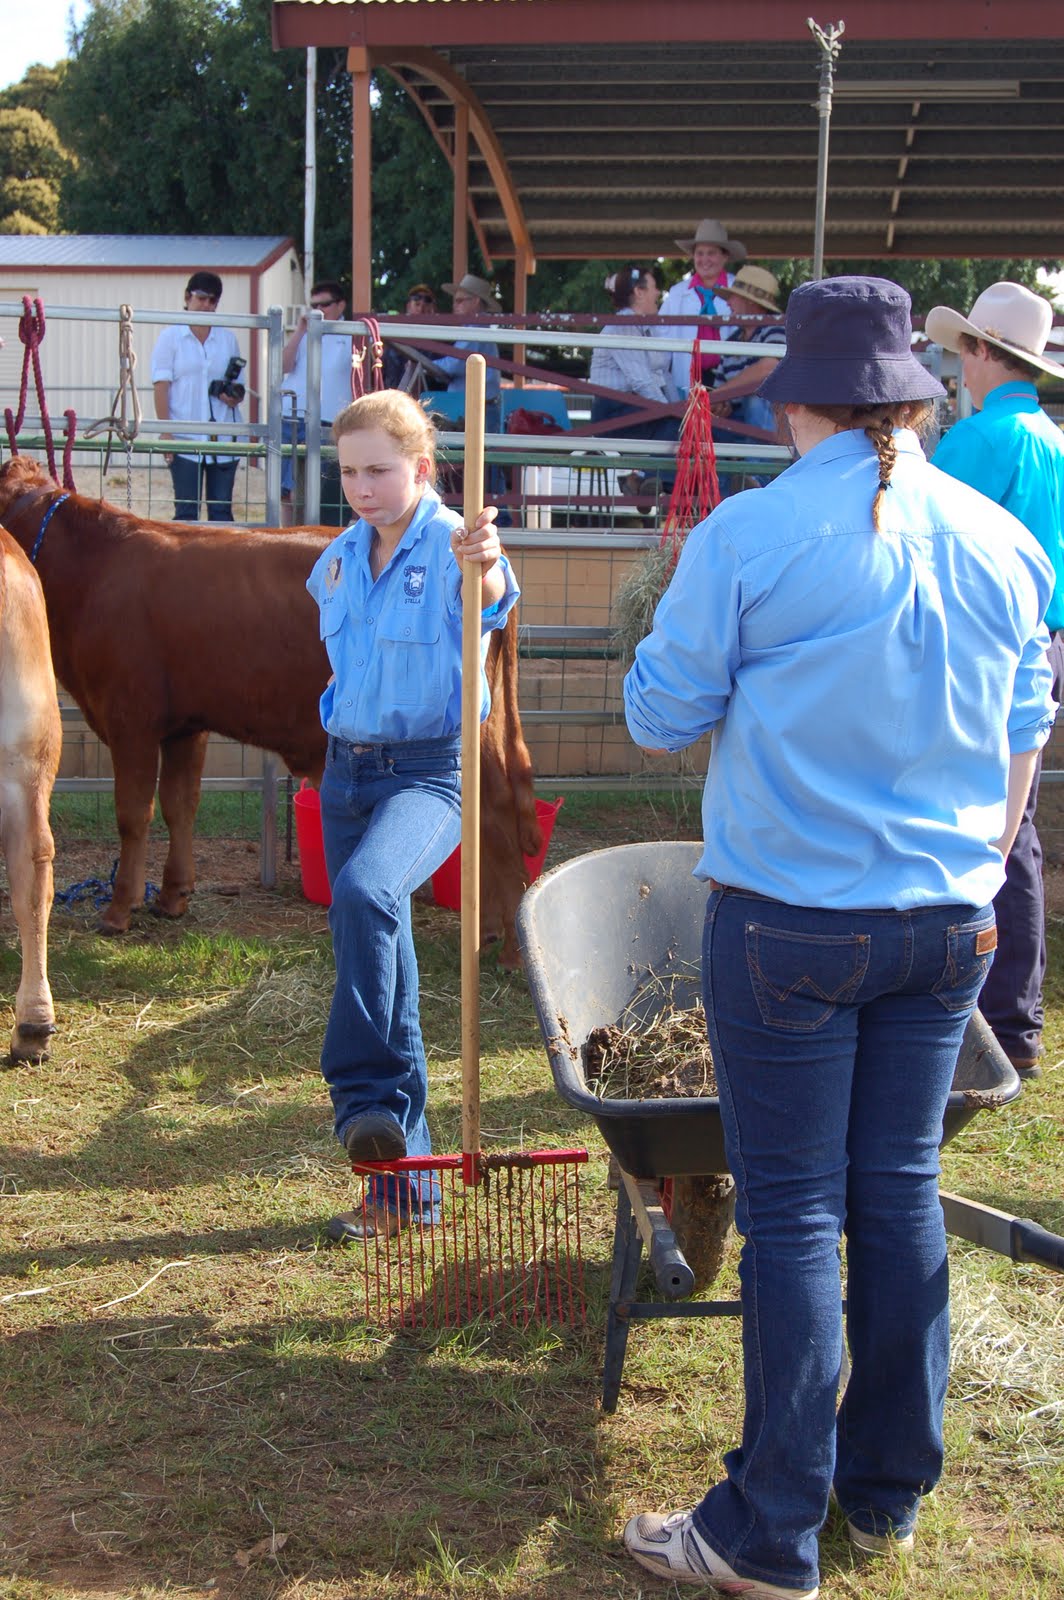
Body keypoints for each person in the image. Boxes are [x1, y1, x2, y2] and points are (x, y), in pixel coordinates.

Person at [621, 276, 1055, 1599]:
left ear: (792, 405)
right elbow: (1027, 723)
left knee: (798, 1213)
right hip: (946, 921)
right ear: (917, 398)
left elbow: (657, 715)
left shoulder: (748, 535)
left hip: (792, 920)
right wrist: (978, 866)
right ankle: (884, 1489)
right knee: (897, 1191)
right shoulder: (1000, 536)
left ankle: (768, 1529)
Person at [305, 389, 517, 1240]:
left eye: (379, 471)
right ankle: (405, 1190)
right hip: (345, 772)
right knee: (380, 957)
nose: (362, 488)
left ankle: (362, 1098)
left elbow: (492, 595)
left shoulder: (457, 544)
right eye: (349, 473)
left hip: (431, 772)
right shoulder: (337, 559)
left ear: (420, 468)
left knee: (367, 892)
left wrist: (486, 561)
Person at [926, 282, 1064, 1081]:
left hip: (980, 643)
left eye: (964, 352)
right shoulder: (1051, 439)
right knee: (1020, 823)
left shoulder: (978, 439)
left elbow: (923, 532)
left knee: (978, 819)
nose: (959, 368)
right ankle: (1014, 1019)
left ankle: (979, 1015)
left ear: (984, 352)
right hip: (1043, 640)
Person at [151, 271, 245, 522]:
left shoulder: (227, 338)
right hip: (184, 439)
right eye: (201, 298)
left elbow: (239, 385)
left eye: (213, 300)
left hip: (223, 439)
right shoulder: (170, 337)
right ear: (187, 297)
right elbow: (161, 386)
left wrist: (232, 396)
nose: (206, 305)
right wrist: (166, 432)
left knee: (221, 513)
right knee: (186, 512)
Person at [588, 263, 681, 499]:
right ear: (639, 292)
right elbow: (642, 381)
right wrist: (673, 411)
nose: (658, 293)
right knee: (676, 426)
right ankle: (648, 481)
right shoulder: (625, 327)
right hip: (614, 409)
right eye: (654, 287)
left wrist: (677, 409)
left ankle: (645, 481)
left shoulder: (644, 327)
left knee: (680, 426)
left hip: (633, 406)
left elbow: (661, 375)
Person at [279, 278, 353, 526]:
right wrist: (300, 330)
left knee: (318, 490)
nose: (318, 311)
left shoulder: (352, 334)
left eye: (325, 304)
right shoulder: (304, 334)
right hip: (292, 415)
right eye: (314, 306)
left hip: (329, 420)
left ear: (341, 305)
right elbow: (283, 365)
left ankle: (313, 536)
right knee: (287, 491)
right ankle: (288, 538)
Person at [654, 218, 746, 400]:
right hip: (686, 380)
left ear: (725, 256)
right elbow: (660, 341)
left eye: (711, 253)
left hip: (730, 380)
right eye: (699, 253)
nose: (704, 260)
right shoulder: (677, 293)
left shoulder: (740, 290)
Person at [437, 273, 505, 501]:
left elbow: (455, 364)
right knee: (486, 464)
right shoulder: (476, 327)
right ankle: (495, 510)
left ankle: (493, 511)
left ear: (475, 301)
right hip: (479, 407)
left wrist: (429, 364)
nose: (454, 306)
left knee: (484, 465)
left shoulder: (475, 327)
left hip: (478, 409)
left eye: (460, 301)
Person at [382, 283, 439, 392]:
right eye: (417, 304)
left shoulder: (440, 337)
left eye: (426, 304)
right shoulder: (396, 334)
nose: (421, 309)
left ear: (433, 309)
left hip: (427, 396)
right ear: (408, 306)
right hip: (394, 393)